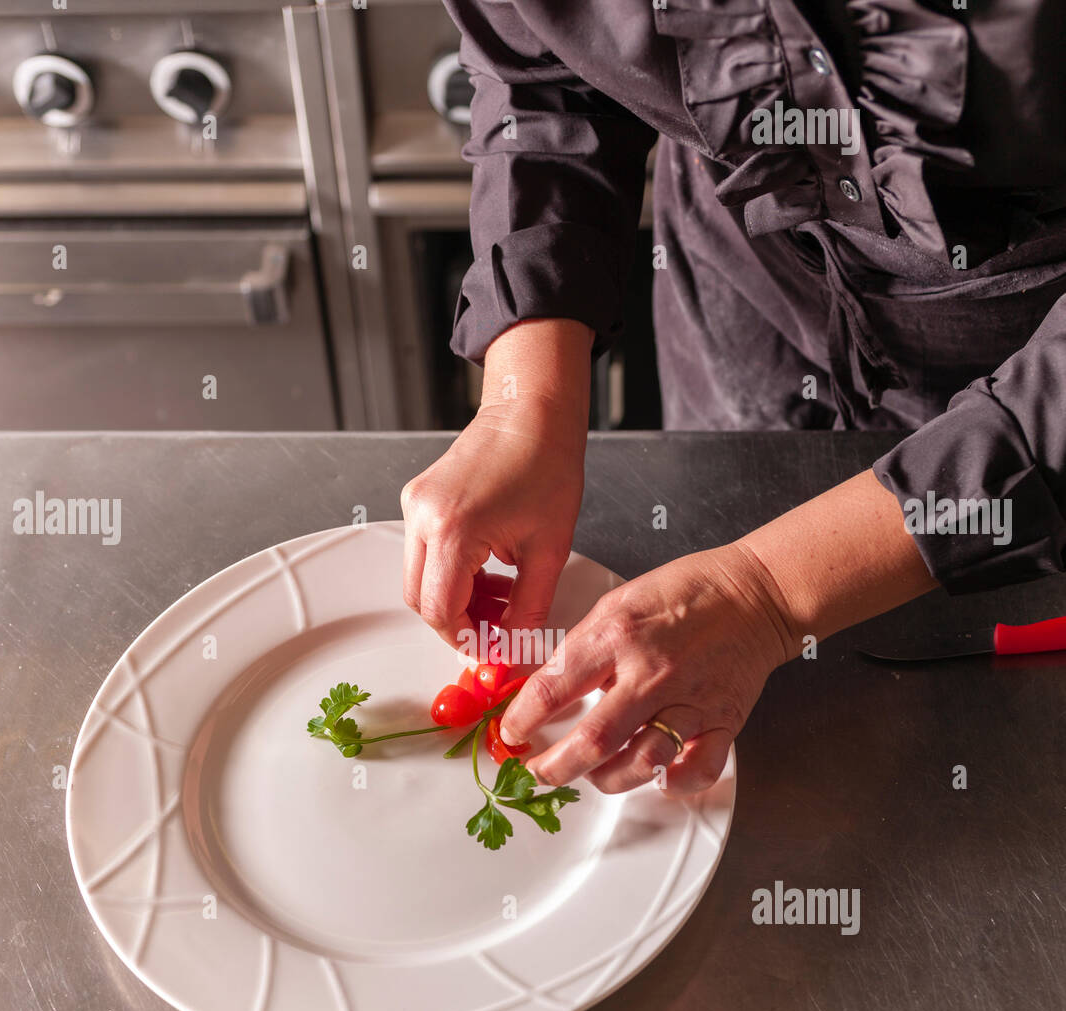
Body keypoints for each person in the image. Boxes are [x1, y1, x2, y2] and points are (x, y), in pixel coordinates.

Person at [400, 1, 1066, 797]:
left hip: (1029, 359)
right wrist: (523, 398)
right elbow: (538, 68)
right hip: (742, 278)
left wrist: (766, 591)